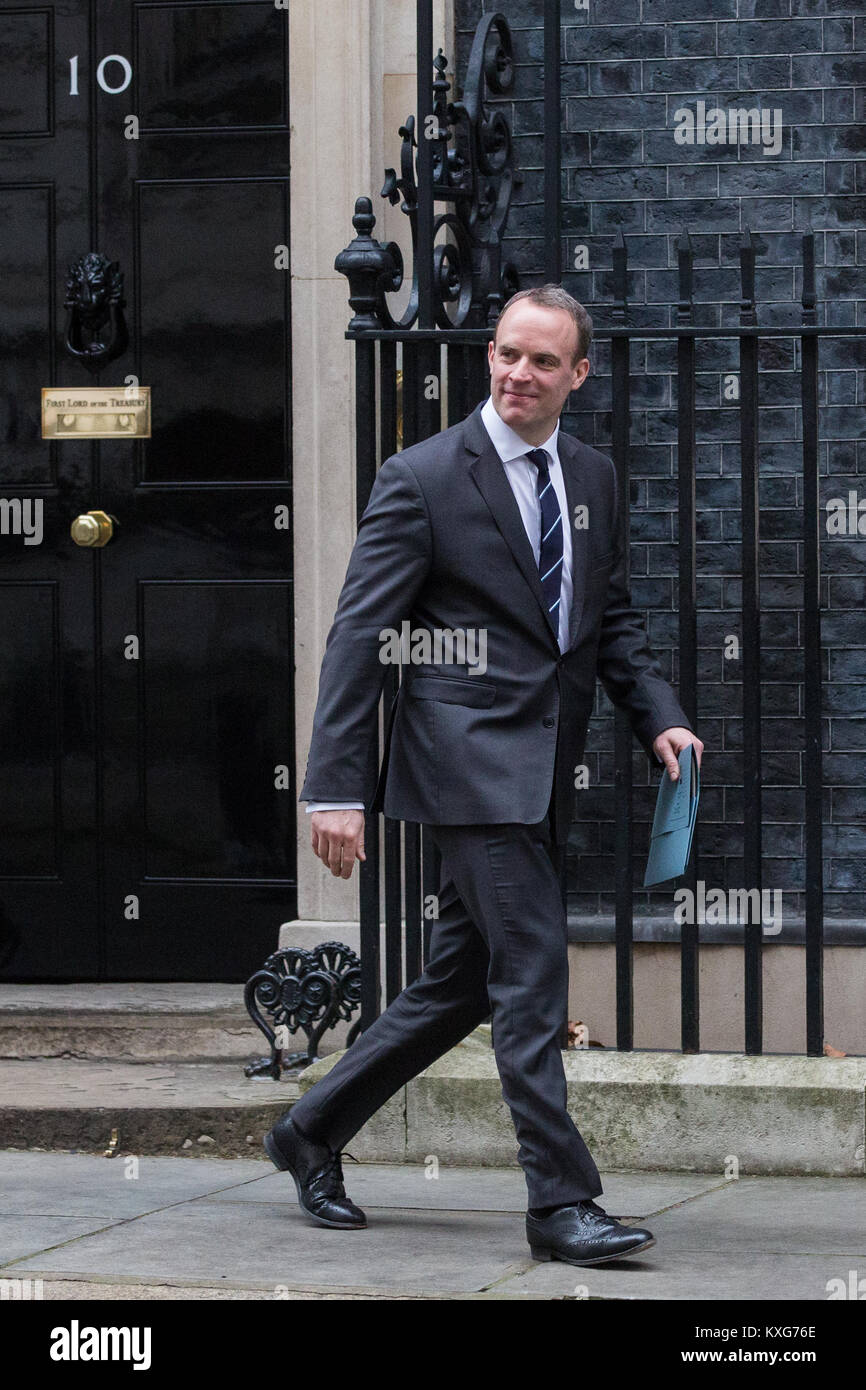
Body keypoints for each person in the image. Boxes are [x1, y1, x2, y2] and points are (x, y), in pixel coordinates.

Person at [264, 285, 704, 1267]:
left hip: (542, 766)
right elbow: (356, 638)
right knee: (532, 973)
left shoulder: (589, 474)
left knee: (457, 987)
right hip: (461, 765)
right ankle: (560, 1202)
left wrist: (660, 718)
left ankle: (308, 1129)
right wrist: (333, 788)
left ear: (576, 376)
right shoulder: (421, 476)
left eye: (542, 362)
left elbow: (609, 618)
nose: (516, 373)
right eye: (506, 353)